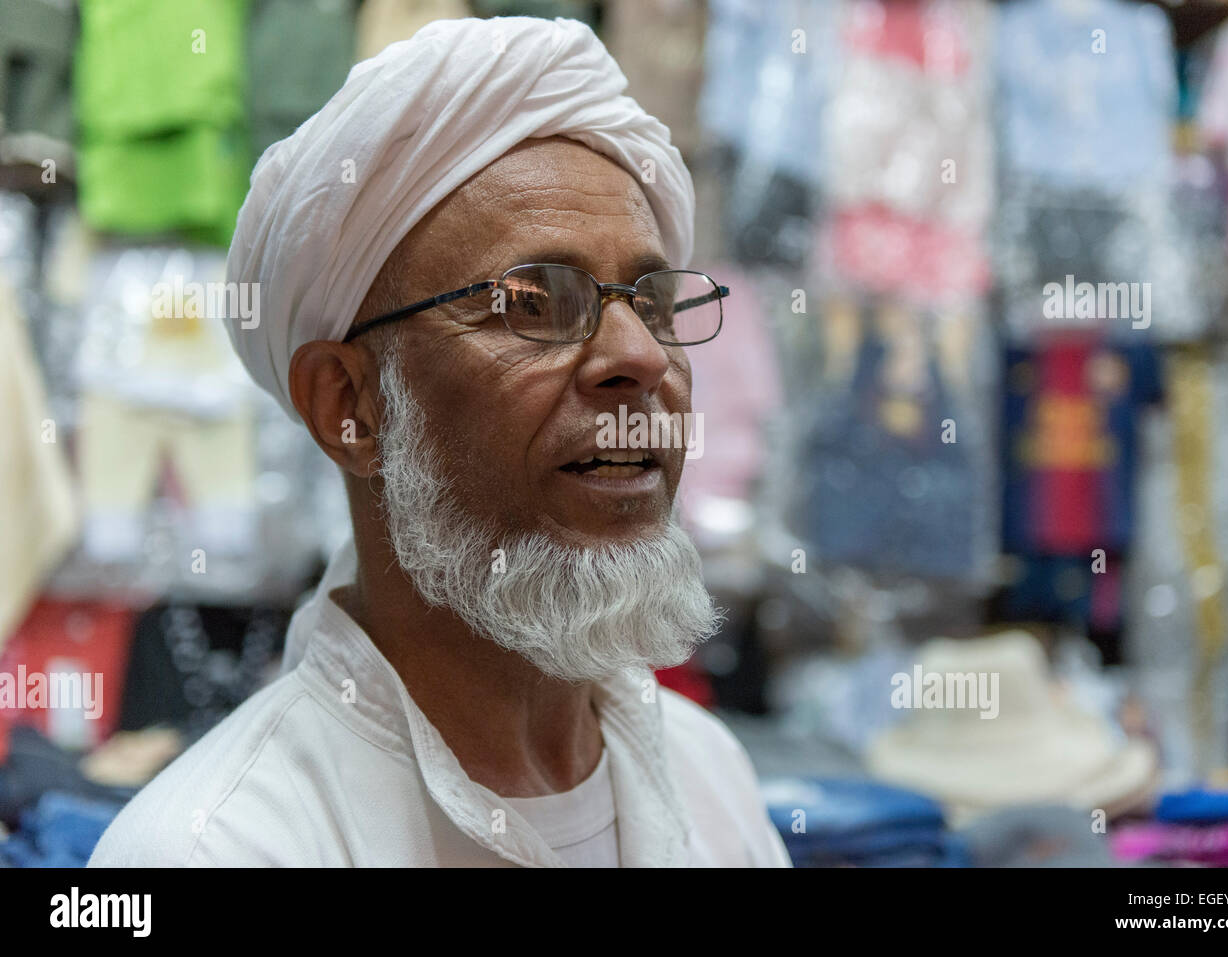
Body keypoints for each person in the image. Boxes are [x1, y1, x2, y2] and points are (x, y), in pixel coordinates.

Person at [89, 16, 790, 867]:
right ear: (349, 405)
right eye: (534, 301)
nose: (640, 357)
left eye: (650, 300)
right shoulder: (215, 848)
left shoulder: (710, 771)